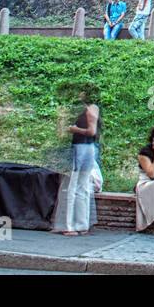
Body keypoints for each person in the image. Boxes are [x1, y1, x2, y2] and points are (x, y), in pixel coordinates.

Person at [53, 88, 100, 236]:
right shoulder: (91, 109)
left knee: (73, 186)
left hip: (81, 148)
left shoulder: (89, 109)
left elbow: (91, 131)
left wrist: (75, 129)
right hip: (88, 148)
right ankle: (81, 224)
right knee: (82, 186)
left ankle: (69, 225)